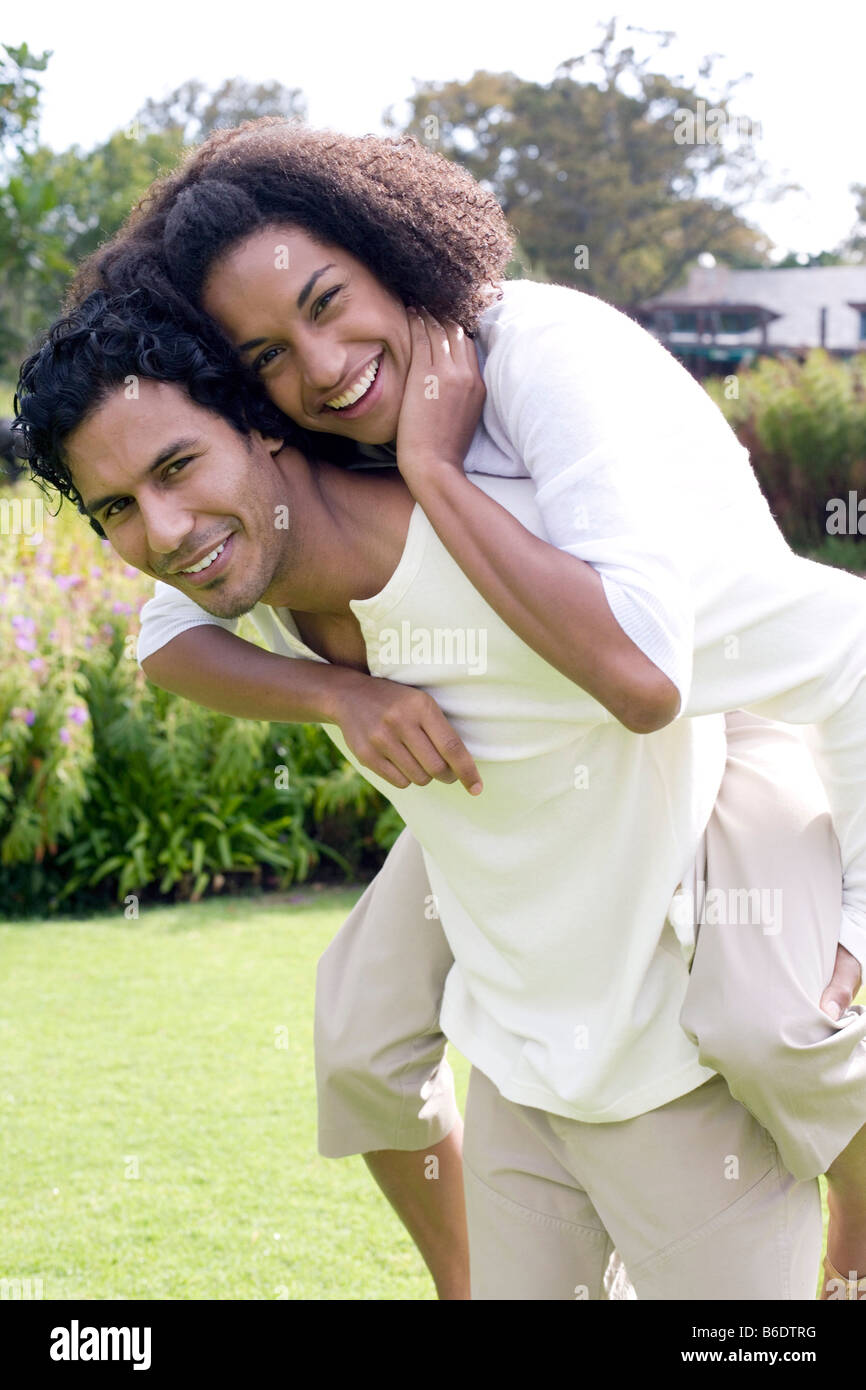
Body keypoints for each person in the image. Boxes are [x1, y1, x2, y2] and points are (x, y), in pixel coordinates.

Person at [65, 120, 866, 1298]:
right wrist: (344, 691)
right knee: (359, 1035)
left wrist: (438, 475)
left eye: (331, 301)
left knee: (770, 1023)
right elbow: (169, 640)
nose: (324, 363)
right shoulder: (323, 452)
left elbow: (643, 676)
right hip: (537, 744)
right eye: (269, 354)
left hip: (717, 704)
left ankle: (849, 1223)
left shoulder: (548, 356)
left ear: (395, 250)